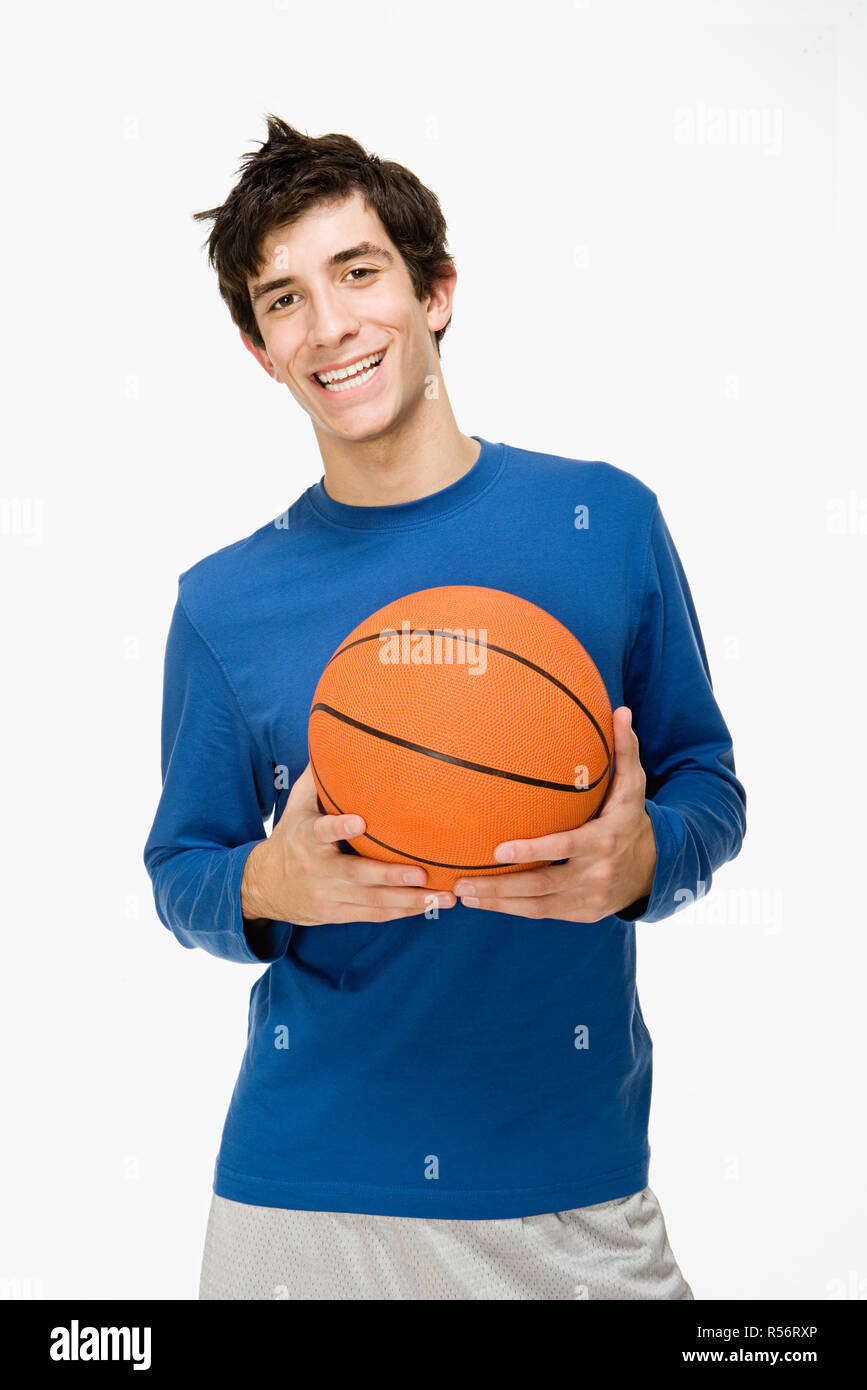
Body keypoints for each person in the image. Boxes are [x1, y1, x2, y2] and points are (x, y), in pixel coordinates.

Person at [143, 115, 746, 1301]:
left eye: (358, 273)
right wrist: (269, 884)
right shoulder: (223, 601)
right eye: (283, 302)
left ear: (437, 292)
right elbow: (182, 869)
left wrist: (641, 862)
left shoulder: (606, 522)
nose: (329, 326)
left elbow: (707, 786)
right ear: (263, 352)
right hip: (304, 1200)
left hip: (570, 1185)